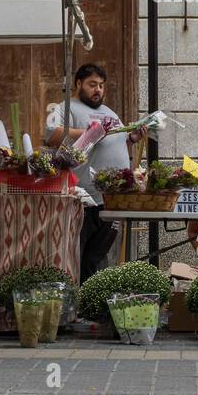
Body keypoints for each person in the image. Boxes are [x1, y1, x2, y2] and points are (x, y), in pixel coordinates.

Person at [45, 64, 145, 281]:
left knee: (95, 260)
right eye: (92, 84)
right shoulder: (65, 108)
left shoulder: (110, 113)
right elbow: (52, 134)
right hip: (83, 199)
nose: (98, 89)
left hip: (110, 201)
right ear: (78, 84)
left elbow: (115, 143)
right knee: (76, 258)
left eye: (101, 85)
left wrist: (132, 138)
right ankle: (74, 305)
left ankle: (89, 305)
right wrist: (89, 132)